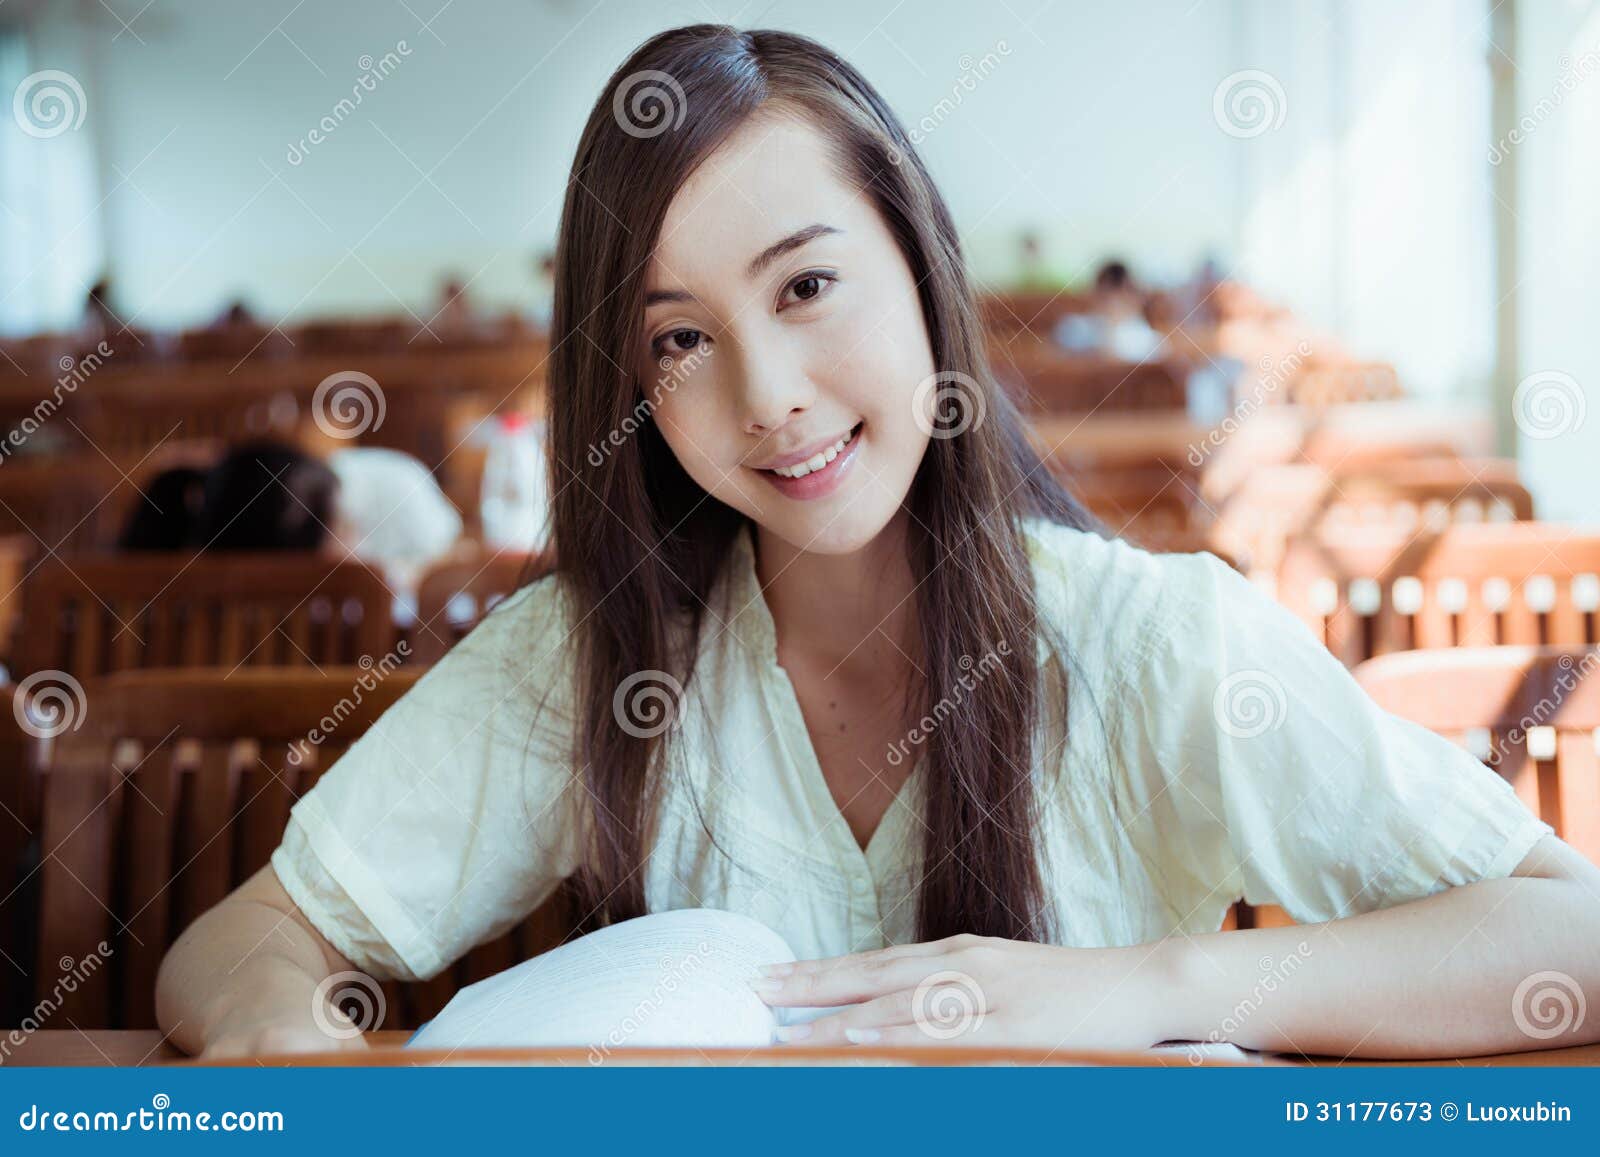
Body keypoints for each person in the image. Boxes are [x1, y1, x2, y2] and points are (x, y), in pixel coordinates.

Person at [157, 24, 1600, 1061]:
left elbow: (1571, 939)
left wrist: (1151, 987)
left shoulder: (1154, 642)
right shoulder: (598, 655)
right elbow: (248, 937)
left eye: (806, 288)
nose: (768, 396)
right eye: (680, 340)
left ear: (921, 269)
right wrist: (283, 1029)